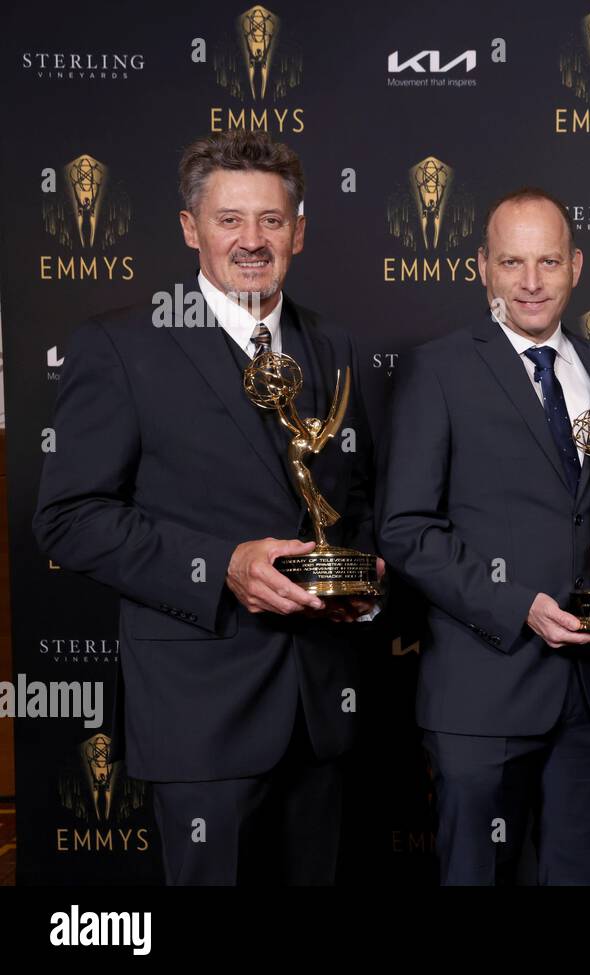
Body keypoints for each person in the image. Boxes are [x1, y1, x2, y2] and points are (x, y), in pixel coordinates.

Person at [33, 130, 379, 884]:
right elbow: (67, 516)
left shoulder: (336, 348)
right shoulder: (121, 346)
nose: (252, 241)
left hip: (324, 708)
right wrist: (219, 565)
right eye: (230, 220)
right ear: (192, 228)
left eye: (272, 220)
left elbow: (357, 501)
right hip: (200, 714)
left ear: (300, 230)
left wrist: (365, 580)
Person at [376, 187, 590, 885]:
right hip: (483, 687)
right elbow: (406, 528)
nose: (532, 282)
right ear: (483, 267)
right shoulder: (438, 369)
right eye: (513, 262)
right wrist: (519, 607)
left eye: (547, 261)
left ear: (576, 265)